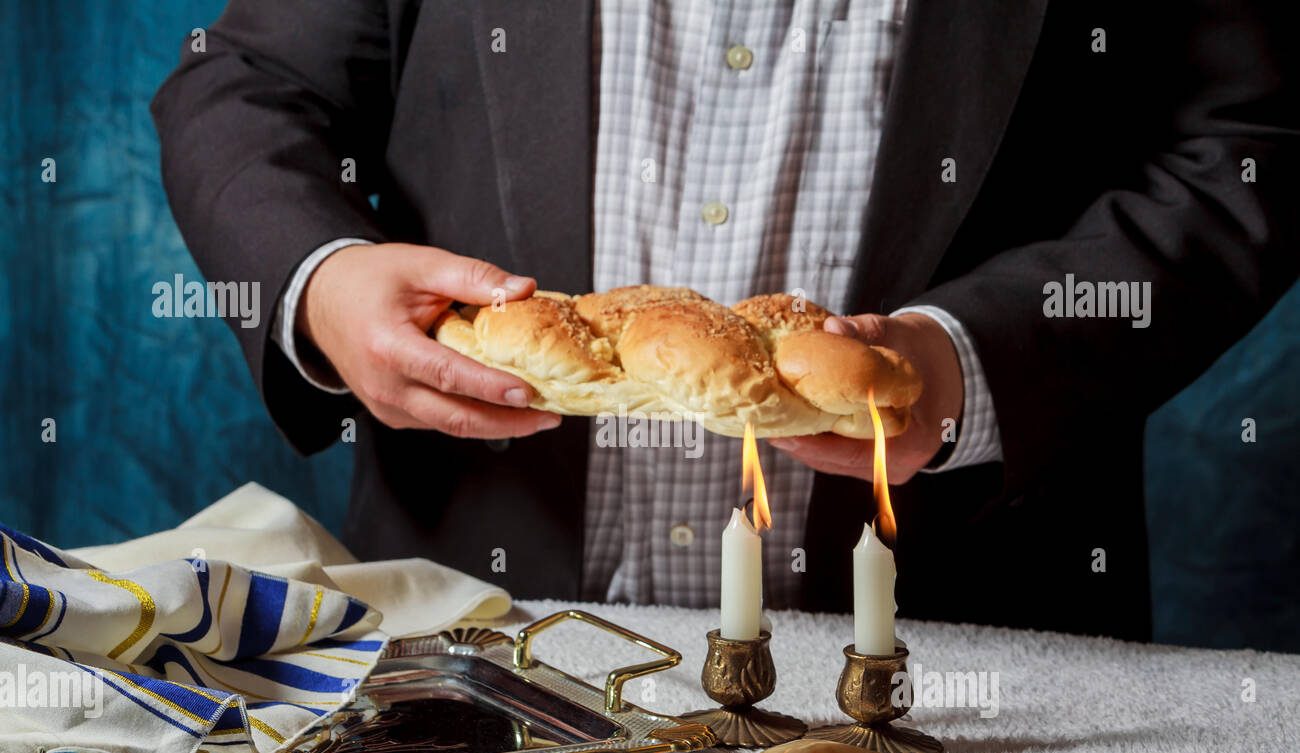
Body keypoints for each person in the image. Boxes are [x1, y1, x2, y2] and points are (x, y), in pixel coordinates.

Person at [152, 1, 1300, 642]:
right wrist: (322, 275)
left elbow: (1253, 141)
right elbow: (241, 78)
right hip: (480, 646)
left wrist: (968, 364)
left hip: (959, 652)